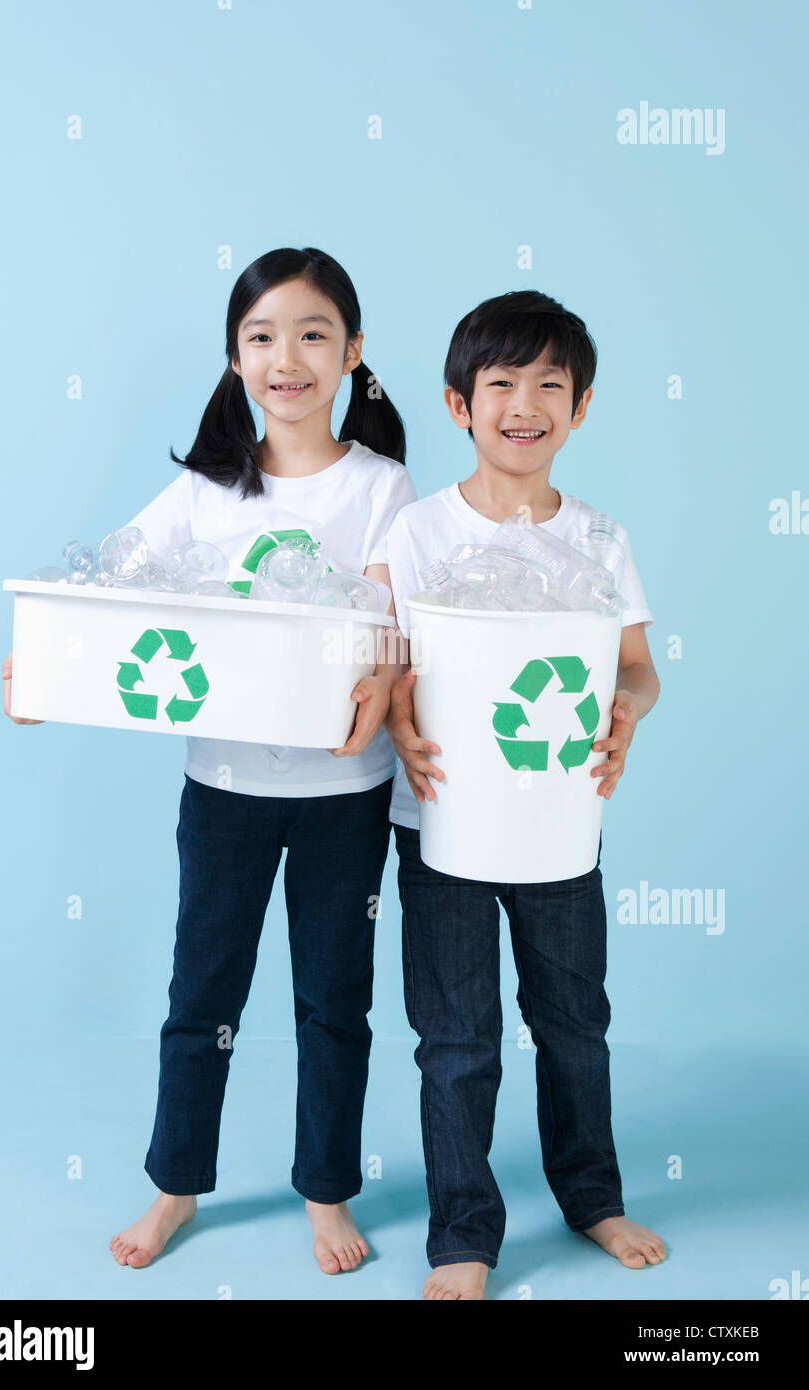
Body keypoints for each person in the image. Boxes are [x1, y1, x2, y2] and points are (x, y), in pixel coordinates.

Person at [3, 246, 415, 1275]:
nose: (288, 357)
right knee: (203, 994)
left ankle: (324, 1191)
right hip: (224, 791)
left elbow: (387, 624)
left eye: (313, 333)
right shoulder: (200, 492)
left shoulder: (380, 486)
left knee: (334, 1002)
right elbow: (103, 587)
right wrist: (42, 670)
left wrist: (384, 681)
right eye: (262, 336)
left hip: (343, 797)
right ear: (234, 359)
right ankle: (176, 1185)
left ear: (353, 354)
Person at [383, 289, 664, 1300]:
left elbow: (636, 667)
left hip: (556, 821)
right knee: (455, 1038)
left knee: (572, 1020)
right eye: (500, 382)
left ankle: (589, 1197)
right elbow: (382, 665)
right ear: (459, 403)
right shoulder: (417, 533)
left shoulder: (596, 539)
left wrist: (625, 711)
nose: (524, 402)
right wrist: (396, 724)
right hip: (442, 820)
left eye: (550, 383)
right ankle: (463, 1233)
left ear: (578, 407)